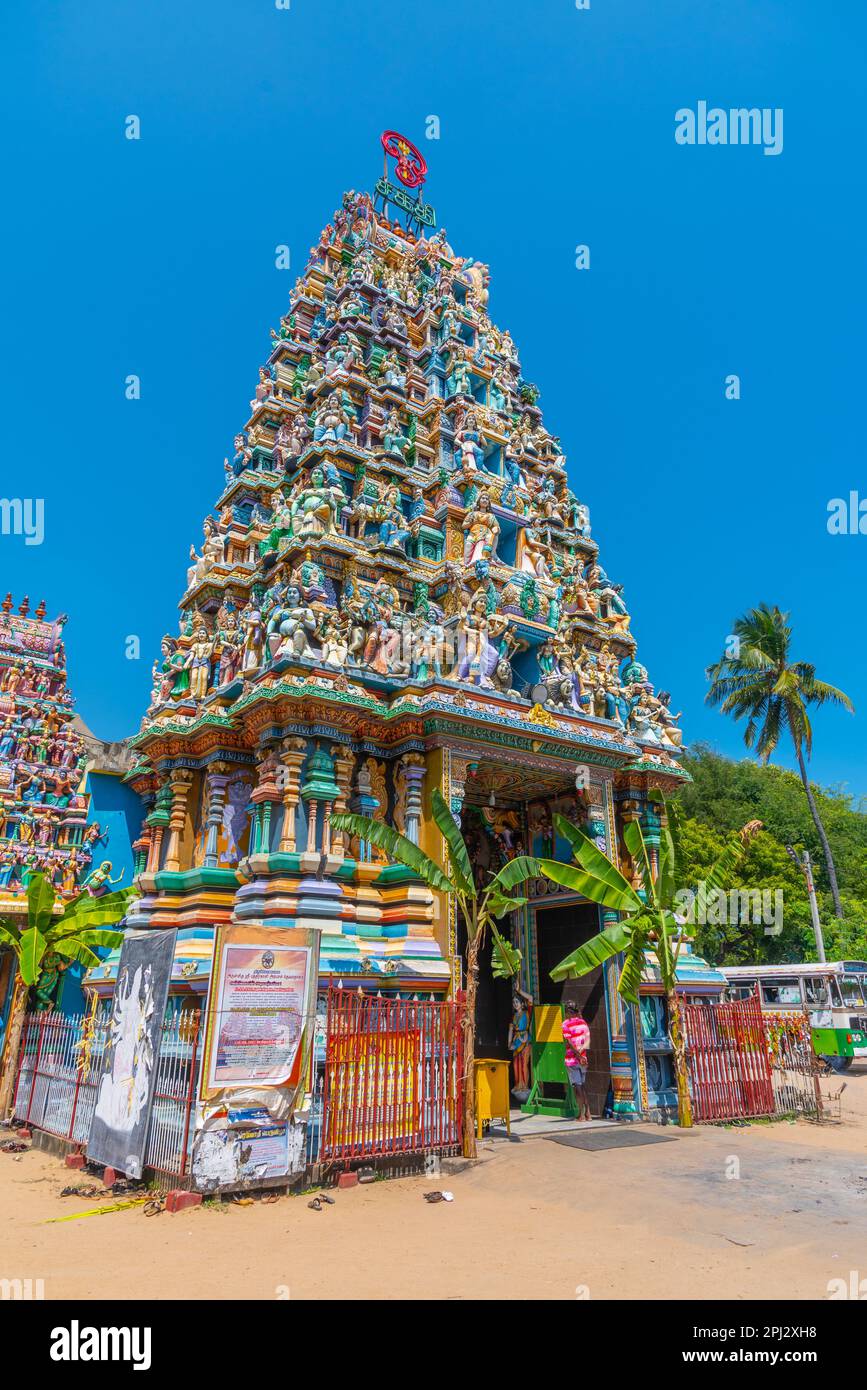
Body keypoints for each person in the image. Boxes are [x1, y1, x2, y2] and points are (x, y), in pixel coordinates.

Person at [562, 1001, 591, 1120]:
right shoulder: (583, 1023)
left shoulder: (565, 1024)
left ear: (569, 1011)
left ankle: (581, 1114)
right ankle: (588, 1113)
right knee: (583, 1086)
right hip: (583, 1059)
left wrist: (578, 1056)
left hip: (572, 1060)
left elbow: (569, 1042)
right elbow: (588, 1041)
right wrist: (582, 1056)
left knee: (577, 1087)